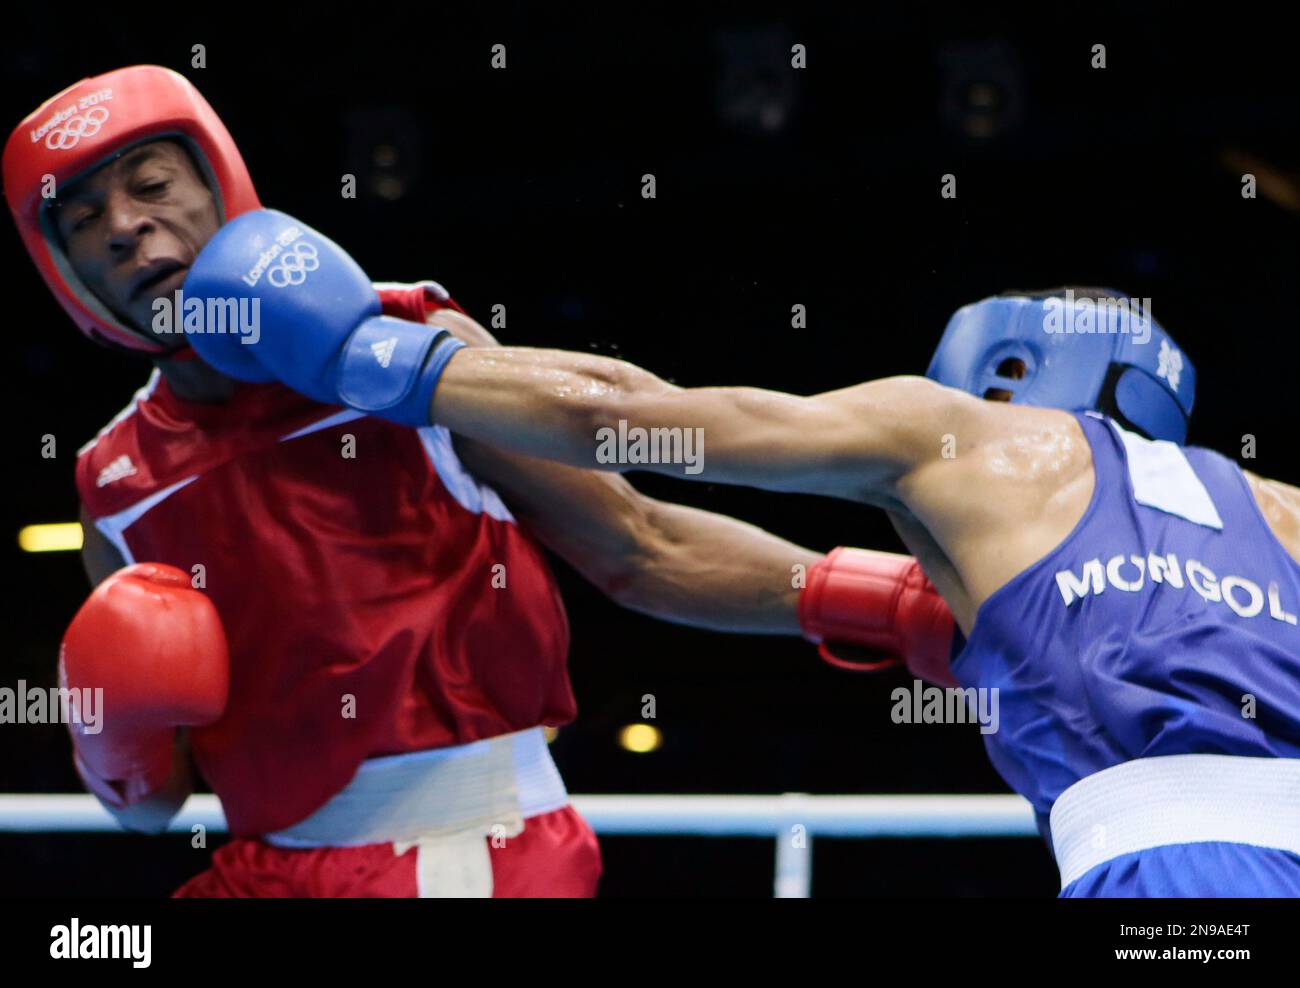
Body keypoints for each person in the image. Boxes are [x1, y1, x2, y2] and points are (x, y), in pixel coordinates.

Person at [7, 64, 934, 898]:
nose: (127, 227)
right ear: (67, 273)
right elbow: (148, 806)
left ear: (221, 187)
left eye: (154, 186)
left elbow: (639, 546)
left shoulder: (407, 344)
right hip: (262, 871)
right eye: (85, 221)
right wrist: (110, 742)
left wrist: (892, 603)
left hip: (460, 850)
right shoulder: (115, 484)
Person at [186, 211, 1300, 895]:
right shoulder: (1280, 509)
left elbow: (640, 420)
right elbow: (650, 549)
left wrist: (377, 358)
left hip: (1176, 878)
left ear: (1008, 364)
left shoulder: (959, 431)